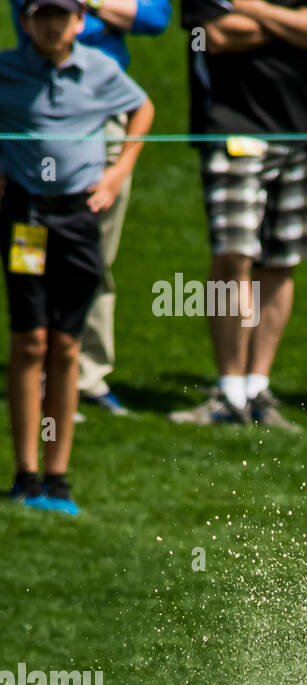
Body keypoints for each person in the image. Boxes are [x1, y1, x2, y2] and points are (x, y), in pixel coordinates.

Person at [0, 0, 153, 515]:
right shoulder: (8, 69)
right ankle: (24, 475)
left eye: (61, 15)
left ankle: (58, 477)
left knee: (65, 346)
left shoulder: (101, 70)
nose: (50, 25)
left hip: (76, 221)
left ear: (80, 22)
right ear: (25, 22)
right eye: (41, 14)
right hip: (27, 220)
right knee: (29, 341)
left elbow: (143, 108)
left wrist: (116, 173)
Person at [169, 0, 307, 430]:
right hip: (232, 124)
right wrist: (296, 23)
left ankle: (256, 388)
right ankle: (228, 390)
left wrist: (254, 10)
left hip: (303, 127)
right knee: (233, 255)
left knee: (281, 260)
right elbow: (215, 35)